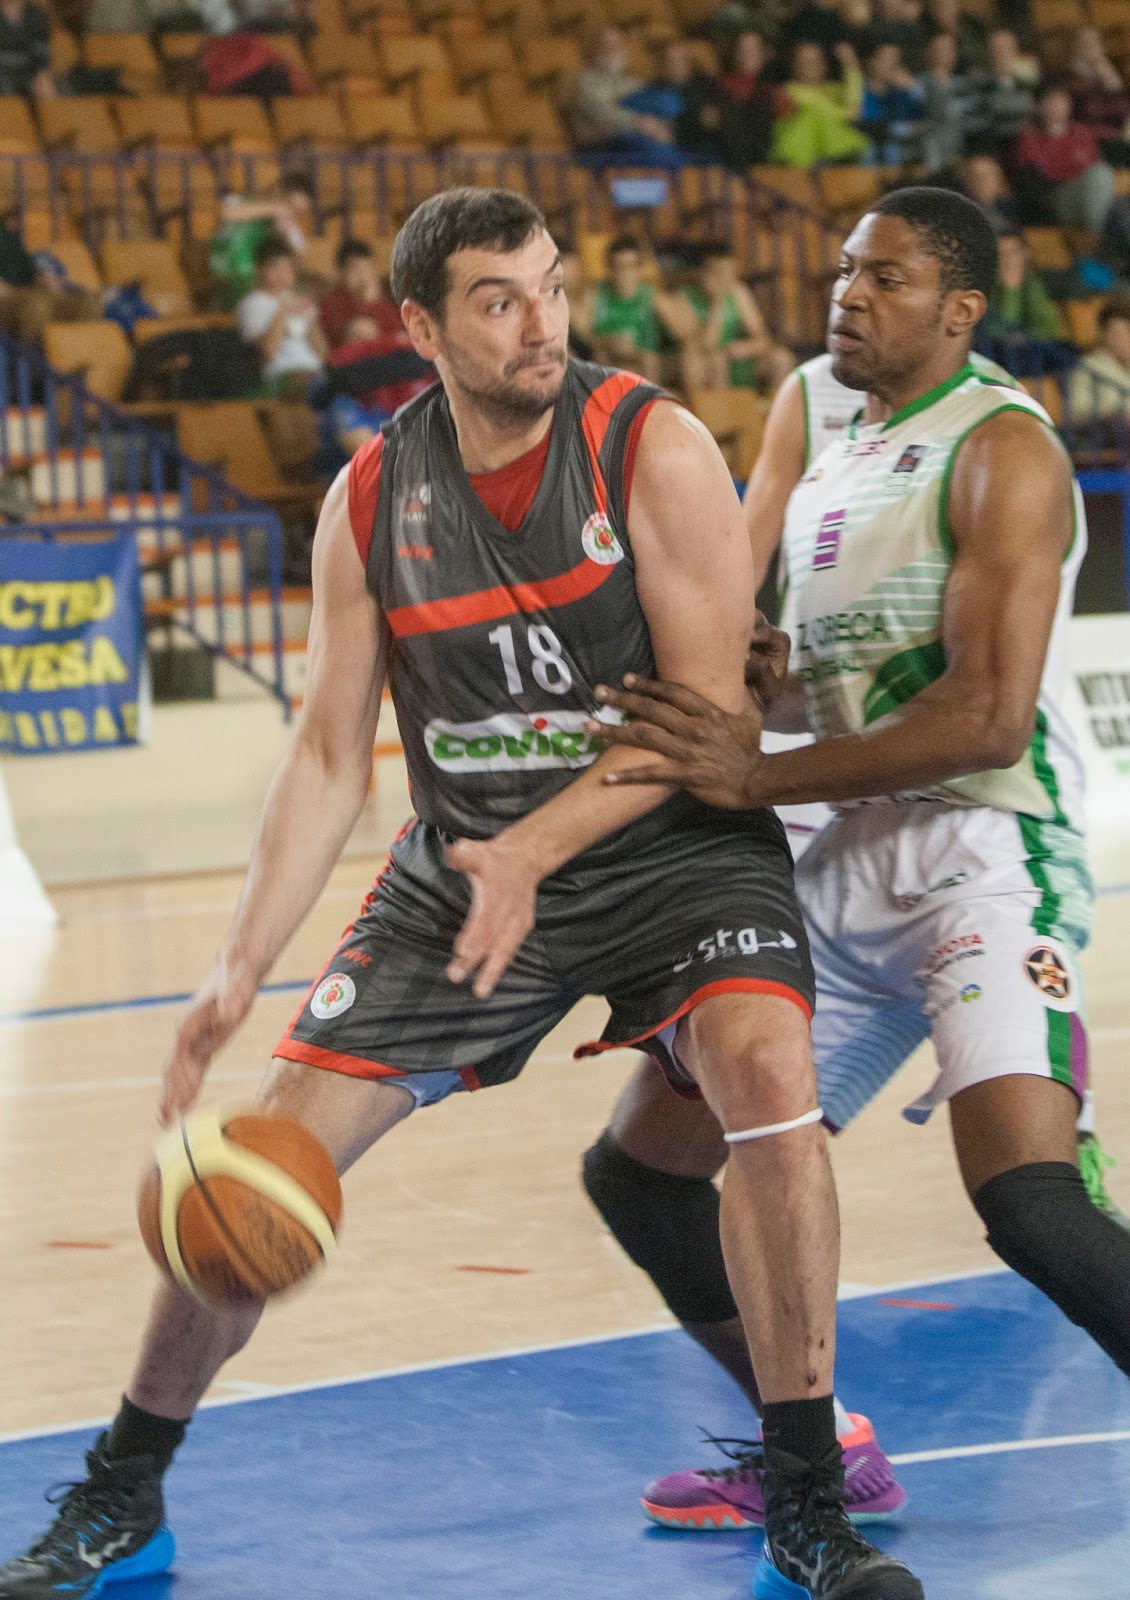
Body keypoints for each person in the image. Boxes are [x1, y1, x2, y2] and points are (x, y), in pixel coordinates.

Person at [0, 185, 923, 1600]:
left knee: (767, 1084)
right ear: (420, 325)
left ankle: (807, 1487)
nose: (539, 322)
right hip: (463, 870)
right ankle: (125, 1486)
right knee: (259, 1169)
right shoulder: (370, 497)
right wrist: (235, 966)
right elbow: (323, 754)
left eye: (550, 288)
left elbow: (699, 719)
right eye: (499, 300)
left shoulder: (649, 445)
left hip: (671, 850)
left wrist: (532, 852)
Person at [581, 187, 1130, 1535]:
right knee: (640, 1173)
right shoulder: (812, 413)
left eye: (883, 278)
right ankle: (818, 1449)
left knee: (1024, 1201)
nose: (846, 293)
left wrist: (751, 769)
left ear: (957, 309)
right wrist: (747, 683)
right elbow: (766, 634)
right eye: (840, 269)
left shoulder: (1006, 451)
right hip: (834, 852)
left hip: (983, 852)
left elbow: (982, 715)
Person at [666, 242, 794, 393]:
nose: (726, 279)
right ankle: (718, 412)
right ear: (703, 273)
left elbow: (762, 337)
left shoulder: (738, 292)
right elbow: (706, 344)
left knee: (782, 358)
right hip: (706, 362)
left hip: (735, 359)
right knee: (713, 359)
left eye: (730, 272)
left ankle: (775, 412)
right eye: (719, 273)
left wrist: (747, 348)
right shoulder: (684, 297)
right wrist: (718, 301)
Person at [568, 26, 685, 169]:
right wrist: (639, 123)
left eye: (617, 44)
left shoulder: (632, 82)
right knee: (656, 153)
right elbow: (603, 115)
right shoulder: (585, 82)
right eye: (605, 45)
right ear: (592, 51)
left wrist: (660, 128)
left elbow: (654, 112)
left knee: (667, 102)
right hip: (602, 145)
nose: (613, 49)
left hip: (637, 138)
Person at [1014, 86, 1115, 234]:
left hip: (1087, 191)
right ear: (1041, 105)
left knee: (1103, 176)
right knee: (1100, 175)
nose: (1058, 108)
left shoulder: (1081, 133)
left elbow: (1095, 165)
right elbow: (1031, 176)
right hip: (1055, 198)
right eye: (1053, 102)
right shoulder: (1030, 136)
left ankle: (1098, 236)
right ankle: (1095, 238)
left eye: (1062, 103)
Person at [236, 233, 326, 398]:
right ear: (258, 269)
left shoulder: (296, 300)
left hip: (313, 372)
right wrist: (283, 311)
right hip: (280, 375)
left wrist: (312, 321)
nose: (282, 273)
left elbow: (322, 355)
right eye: (275, 267)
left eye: (287, 267)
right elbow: (268, 352)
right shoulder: (252, 304)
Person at [210, 171, 315, 308]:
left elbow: (300, 258)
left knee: (309, 293)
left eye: (299, 211)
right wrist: (273, 209)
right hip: (228, 279)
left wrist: (285, 234)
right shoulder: (238, 202)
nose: (293, 213)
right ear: (277, 190)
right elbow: (226, 213)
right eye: (290, 205)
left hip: (264, 283)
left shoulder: (285, 223)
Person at [572, 235, 668, 383]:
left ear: (641, 269)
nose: (625, 273)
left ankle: (652, 403)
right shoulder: (595, 295)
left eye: (631, 266)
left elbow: (686, 333)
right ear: (609, 269)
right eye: (619, 266)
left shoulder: (653, 296)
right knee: (600, 357)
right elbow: (582, 336)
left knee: (650, 360)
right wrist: (608, 341)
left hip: (644, 361)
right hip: (608, 359)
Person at [772, 40, 869, 167]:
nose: (810, 67)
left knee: (868, 150)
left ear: (823, 64)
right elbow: (848, 113)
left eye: (814, 61)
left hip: (835, 157)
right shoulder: (789, 90)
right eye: (804, 62)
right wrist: (850, 112)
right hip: (799, 161)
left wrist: (851, 66)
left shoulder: (833, 89)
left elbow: (855, 102)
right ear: (795, 65)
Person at [697, 30, 783, 172]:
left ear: (763, 55)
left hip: (763, 161)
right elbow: (708, 120)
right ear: (735, 54)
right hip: (725, 158)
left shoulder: (774, 90)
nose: (746, 55)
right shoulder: (718, 86)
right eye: (742, 50)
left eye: (752, 51)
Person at [1059, 26, 1130, 162]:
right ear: (1075, 48)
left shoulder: (1110, 72)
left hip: (1119, 135)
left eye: (1095, 43)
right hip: (1089, 139)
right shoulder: (1066, 77)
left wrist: (1112, 82)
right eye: (1084, 43)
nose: (1091, 48)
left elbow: (1125, 108)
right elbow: (1089, 111)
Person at [319, 237, 402, 351]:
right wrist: (367, 302)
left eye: (367, 268)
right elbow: (347, 334)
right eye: (356, 269)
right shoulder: (333, 301)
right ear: (341, 273)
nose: (363, 275)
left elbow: (400, 333)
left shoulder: (385, 304)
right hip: (351, 360)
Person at [968, 27, 1038, 148]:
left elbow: (1035, 110)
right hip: (991, 144)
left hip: (1024, 145)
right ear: (988, 54)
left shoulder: (1028, 82)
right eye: (996, 50)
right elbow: (984, 115)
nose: (1001, 55)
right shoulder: (977, 82)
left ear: (1015, 52)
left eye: (1006, 49)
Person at [917, 29, 975, 172]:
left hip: (962, 147)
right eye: (939, 49)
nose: (945, 54)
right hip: (931, 147)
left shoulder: (963, 84)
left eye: (949, 49)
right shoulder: (918, 83)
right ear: (928, 53)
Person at [1067, 294, 1130, 422]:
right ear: (1104, 334)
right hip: (1105, 436)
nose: (1126, 340)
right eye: (1118, 334)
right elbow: (1077, 412)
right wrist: (1117, 417)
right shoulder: (1087, 368)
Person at [860, 41, 925, 164]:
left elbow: (924, 118)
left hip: (898, 140)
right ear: (872, 62)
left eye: (895, 60)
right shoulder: (861, 89)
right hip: (869, 138)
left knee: (892, 148)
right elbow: (865, 119)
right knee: (867, 149)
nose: (891, 65)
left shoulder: (905, 89)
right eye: (885, 59)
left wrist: (911, 88)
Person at [924, 0, 989, 76]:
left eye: (951, 4)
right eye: (943, 6)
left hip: (979, 75)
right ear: (933, 10)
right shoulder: (926, 30)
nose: (949, 9)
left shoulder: (973, 24)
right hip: (946, 78)